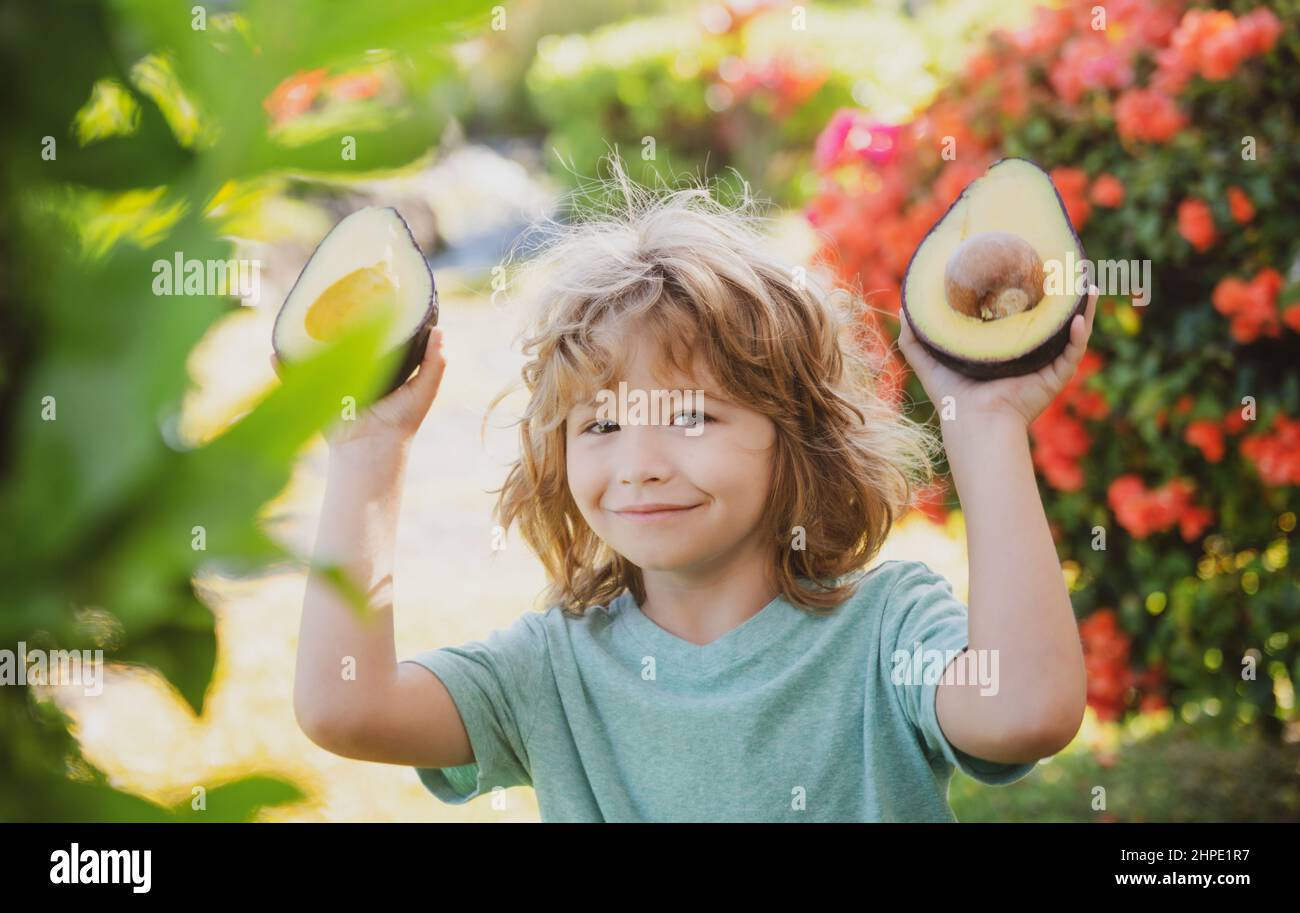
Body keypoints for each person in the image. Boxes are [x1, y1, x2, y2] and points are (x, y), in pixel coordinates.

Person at [290, 155, 1093, 822]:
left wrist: (985, 420)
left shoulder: (885, 633)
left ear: (798, 437)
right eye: (599, 426)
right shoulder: (550, 670)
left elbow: (1027, 711)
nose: (639, 461)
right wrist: (368, 448)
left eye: (690, 416)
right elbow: (347, 706)